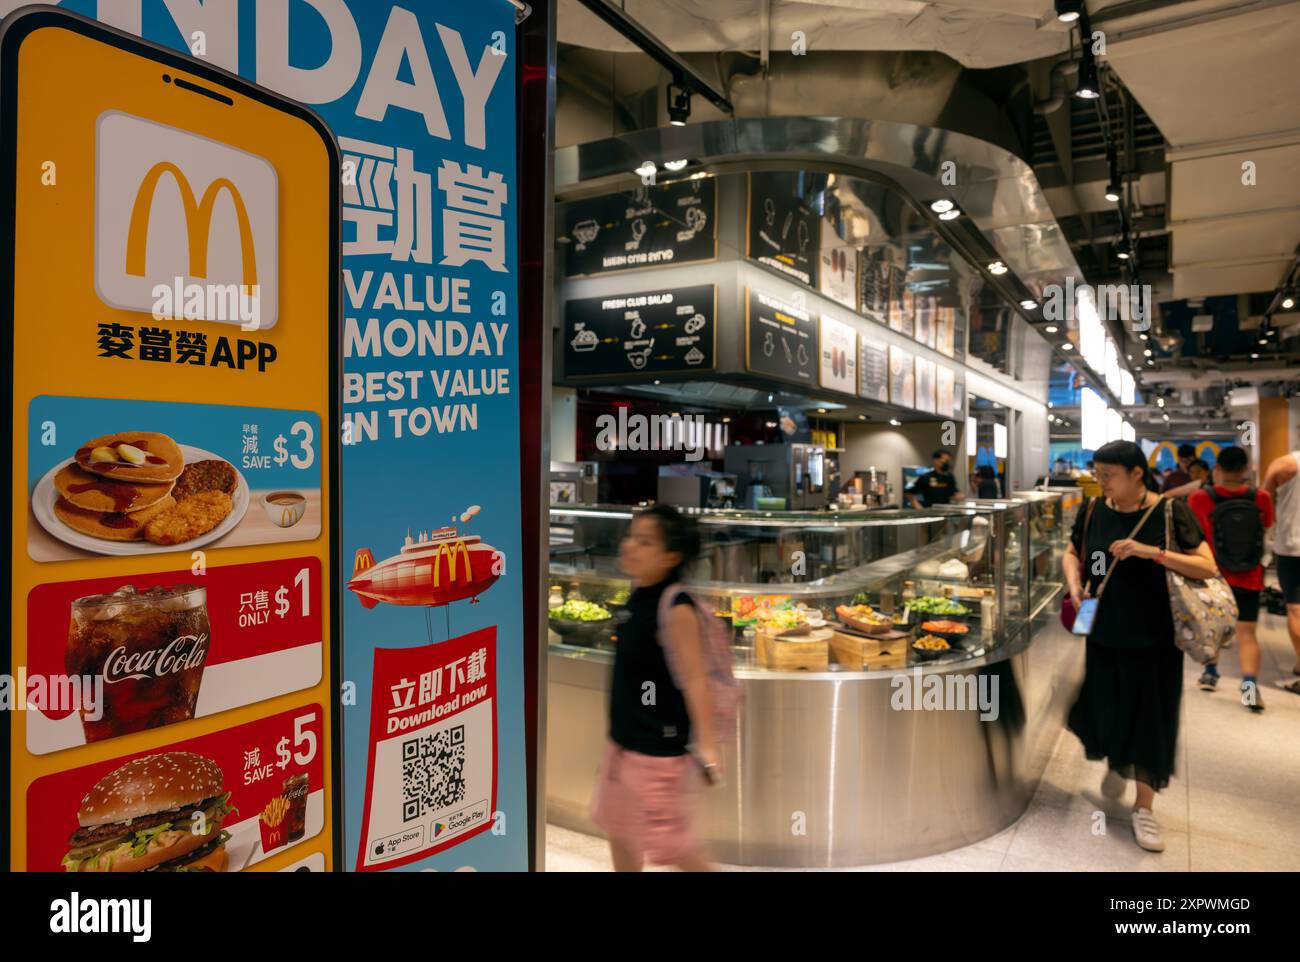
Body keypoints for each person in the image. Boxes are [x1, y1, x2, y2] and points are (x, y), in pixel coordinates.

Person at [1062, 440, 1218, 852]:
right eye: (1098, 475)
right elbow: (1075, 552)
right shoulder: (1094, 509)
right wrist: (1076, 584)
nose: (1101, 482)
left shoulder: (1169, 511)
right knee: (1104, 706)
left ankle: (1144, 808)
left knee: (1150, 719)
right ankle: (1119, 757)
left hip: (1154, 637)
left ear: (1137, 475)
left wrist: (1151, 552)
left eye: (1108, 476)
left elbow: (1207, 566)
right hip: (1102, 629)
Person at [592, 504, 717, 871]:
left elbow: (696, 680)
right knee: (620, 830)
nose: (630, 545)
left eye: (645, 542)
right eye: (632, 536)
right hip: (622, 746)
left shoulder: (676, 607)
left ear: (671, 557)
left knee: (672, 846)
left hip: (658, 754)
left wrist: (708, 746)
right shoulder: (638, 593)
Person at [1187, 446, 1273, 710]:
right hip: (1250, 575)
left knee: (1213, 628)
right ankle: (1249, 688)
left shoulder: (1200, 498)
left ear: (1218, 469)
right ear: (1245, 469)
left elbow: (1193, 537)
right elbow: (1267, 529)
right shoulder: (1262, 497)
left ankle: (1211, 673)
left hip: (1212, 575)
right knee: (1247, 635)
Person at [1262, 448, 1300, 696]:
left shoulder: (1284, 464)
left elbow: (1264, 501)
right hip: (1289, 546)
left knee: (1296, 609)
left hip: (1291, 546)